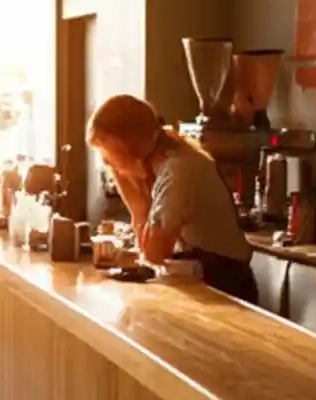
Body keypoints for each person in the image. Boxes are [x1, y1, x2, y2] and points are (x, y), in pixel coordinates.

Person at [86, 94, 258, 304]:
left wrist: (136, 201)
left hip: (225, 286)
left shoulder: (177, 169)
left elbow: (154, 252)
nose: (106, 162)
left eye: (108, 153)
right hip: (202, 280)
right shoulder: (165, 156)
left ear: (122, 145)